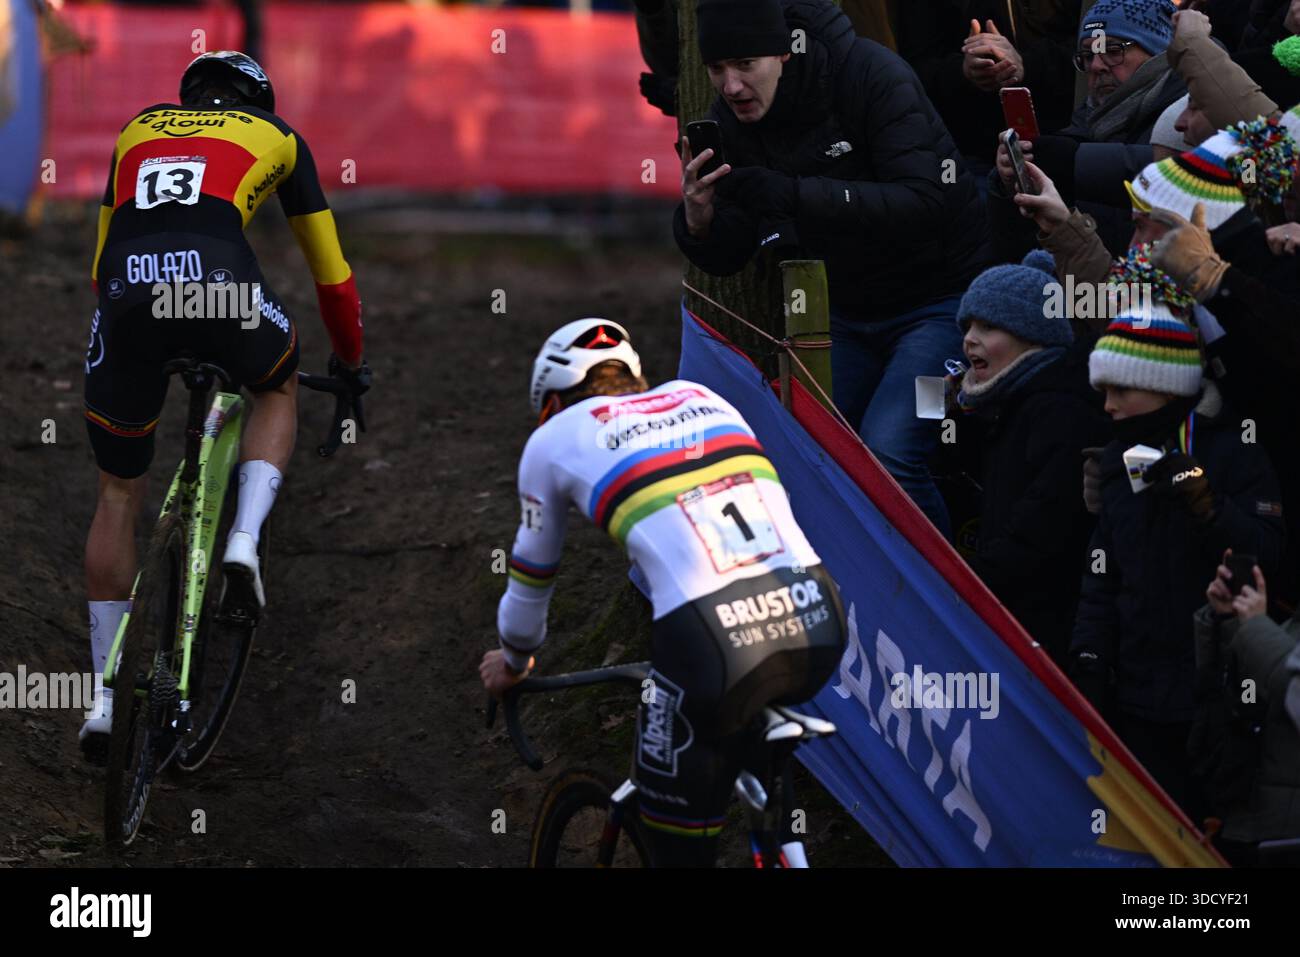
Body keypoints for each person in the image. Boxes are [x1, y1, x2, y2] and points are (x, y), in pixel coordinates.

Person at [80, 51, 370, 759]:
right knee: (276, 381)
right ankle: (243, 540)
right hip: (220, 289)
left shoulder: (136, 128)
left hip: (127, 296)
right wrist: (351, 363)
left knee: (118, 491)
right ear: (257, 103)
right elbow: (332, 280)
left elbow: (98, 266)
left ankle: (103, 700)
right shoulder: (279, 137)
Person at [480, 319, 847, 867]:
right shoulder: (700, 396)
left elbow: (530, 588)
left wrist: (513, 660)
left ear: (552, 402)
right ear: (635, 375)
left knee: (677, 846)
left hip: (712, 641)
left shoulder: (551, 440)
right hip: (818, 615)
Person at [674, 0, 992, 538]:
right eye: (716, 70)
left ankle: (947, 603)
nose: (730, 86)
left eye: (745, 65)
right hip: (842, 316)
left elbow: (927, 200)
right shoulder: (732, 117)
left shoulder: (871, 75)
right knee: (804, 452)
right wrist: (699, 222)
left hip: (945, 308)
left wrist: (796, 195)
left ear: (783, 52)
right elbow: (731, 255)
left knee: (890, 450)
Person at [1070, 296, 1285, 811]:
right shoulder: (1119, 464)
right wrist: (1088, 657)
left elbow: (1268, 556)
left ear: (1164, 388)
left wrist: (1207, 504)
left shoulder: (1236, 448)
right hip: (1138, 700)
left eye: (1121, 389)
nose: (1108, 406)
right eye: (1103, 391)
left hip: (1221, 701)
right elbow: (1101, 574)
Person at [952, 258, 1109, 664]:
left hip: (1044, 628)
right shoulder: (1003, 405)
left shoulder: (1061, 412)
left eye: (988, 327)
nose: (970, 339)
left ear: (1033, 336)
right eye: (967, 326)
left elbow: (1044, 524)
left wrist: (971, 582)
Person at [988, 0, 1186, 261]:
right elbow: (1025, 250)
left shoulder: (1193, 114)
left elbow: (1183, 174)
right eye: (1088, 55)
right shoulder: (1083, 126)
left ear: (1158, 52)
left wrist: (1075, 161)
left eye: (1113, 50)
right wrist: (1012, 186)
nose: (1096, 66)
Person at [1192, 554, 1300, 864]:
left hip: (1285, 836)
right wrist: (1229, 622)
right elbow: (1249, 698)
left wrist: (1255, 628)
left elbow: (1291, 688)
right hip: (1256, 823)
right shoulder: (1290, 624)